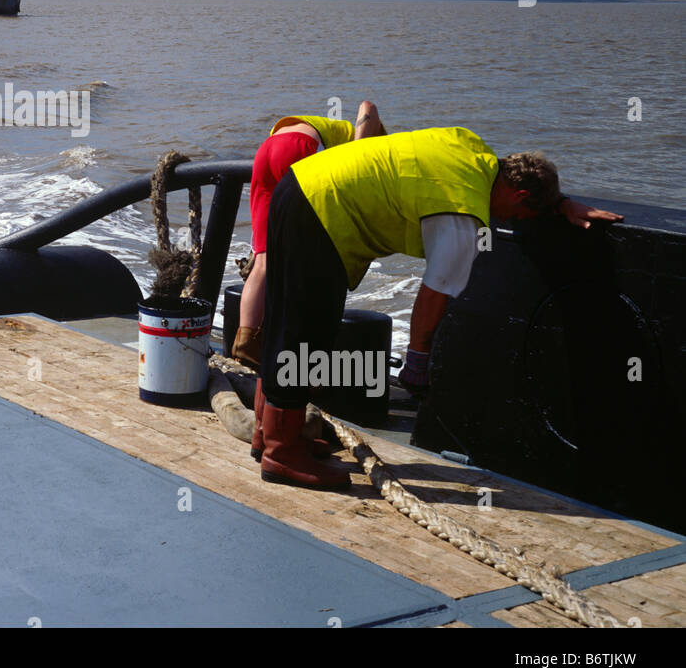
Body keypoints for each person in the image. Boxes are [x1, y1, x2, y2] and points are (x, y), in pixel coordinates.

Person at [257, 127, 622, 492]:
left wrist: (560, 203)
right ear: (520, 194)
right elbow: (433, 294)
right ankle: (282, 452)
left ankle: (266, 433)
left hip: (300, 183)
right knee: (305, 334)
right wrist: (418, 358)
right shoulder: (462, 214)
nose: (511, 221)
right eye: (520, 214)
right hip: (322, 211)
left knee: (283, 319)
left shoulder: (471, 150)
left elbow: (524, 184)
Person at [231, 101, 386, 369]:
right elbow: (367, 106)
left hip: (267, 151)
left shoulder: (333, 131)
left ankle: (246, 340)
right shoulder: (374, 140)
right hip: (300, 150)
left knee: (264, 259)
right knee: (308, 258)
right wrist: (357, 157)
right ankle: (303, 354)